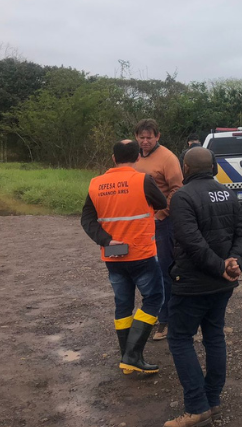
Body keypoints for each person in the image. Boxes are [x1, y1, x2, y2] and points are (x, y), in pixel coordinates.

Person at [164, 147, 242, 427]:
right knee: (214, 336)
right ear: (214, 167)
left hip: (192, 284)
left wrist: (222, 266)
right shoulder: (227, 193)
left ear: (185, 169)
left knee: (180, 339)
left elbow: (191, 242)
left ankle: (197, 407)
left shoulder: (182, 197)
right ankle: (212, 400)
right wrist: (235, 262)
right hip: (222, 284)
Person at [80, 140, 167, 375]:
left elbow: (87, 219)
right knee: (154, 299)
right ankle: (132, 356)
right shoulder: (143, 180)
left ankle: (127, 359)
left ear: (113, 158)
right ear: (138, 157)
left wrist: (106, 240)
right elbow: (161, 203)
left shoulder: (96, 183)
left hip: (113, 254)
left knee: (123, 303)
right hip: (141, 253)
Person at [134, 119, 184, 341]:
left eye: (149, 137)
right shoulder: (134, 157)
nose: (145, 141)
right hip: (139, 224)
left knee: (164, 271)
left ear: (158, 136)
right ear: (136, 137)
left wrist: (160, 214)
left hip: (162, 223)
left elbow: (177, 189)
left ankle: (166, 320)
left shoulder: (168, 158)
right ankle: (153, 311)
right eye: (141, 137)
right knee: (144, 270)